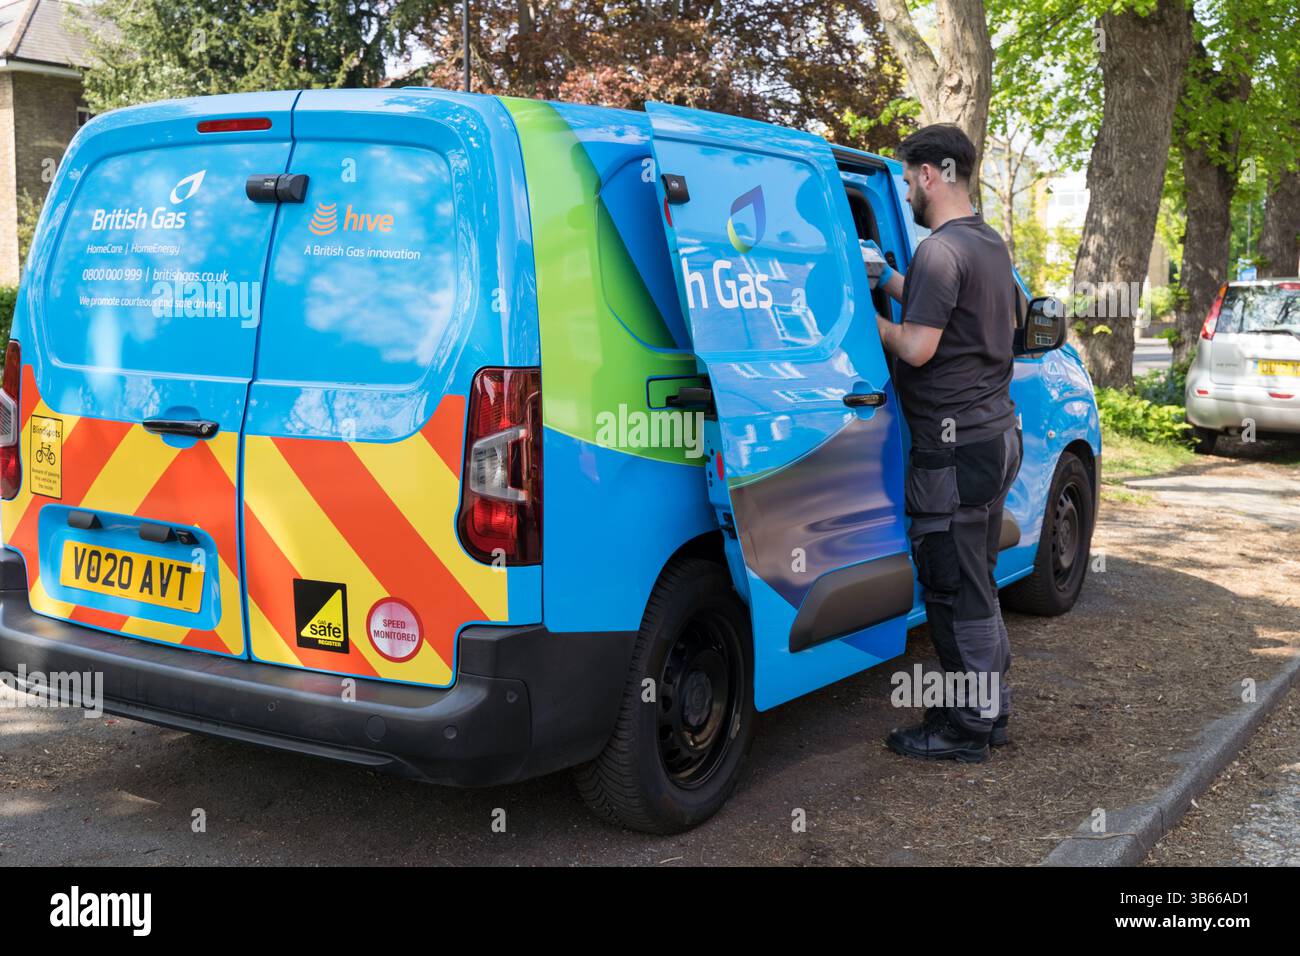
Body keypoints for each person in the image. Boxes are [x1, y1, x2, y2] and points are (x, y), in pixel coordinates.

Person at [864, 123, 1022, 763]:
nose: (904, 190)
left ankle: (966, 727)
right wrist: (889, 277)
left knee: (952, 584)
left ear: (932, 174)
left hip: (952, 452)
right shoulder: (986, 245)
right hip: (993, 437)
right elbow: (948, 306)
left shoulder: (941, 251)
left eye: (907, 178)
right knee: (977, 578)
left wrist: (866, 315)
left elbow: (919, 345)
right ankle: (989, 706)